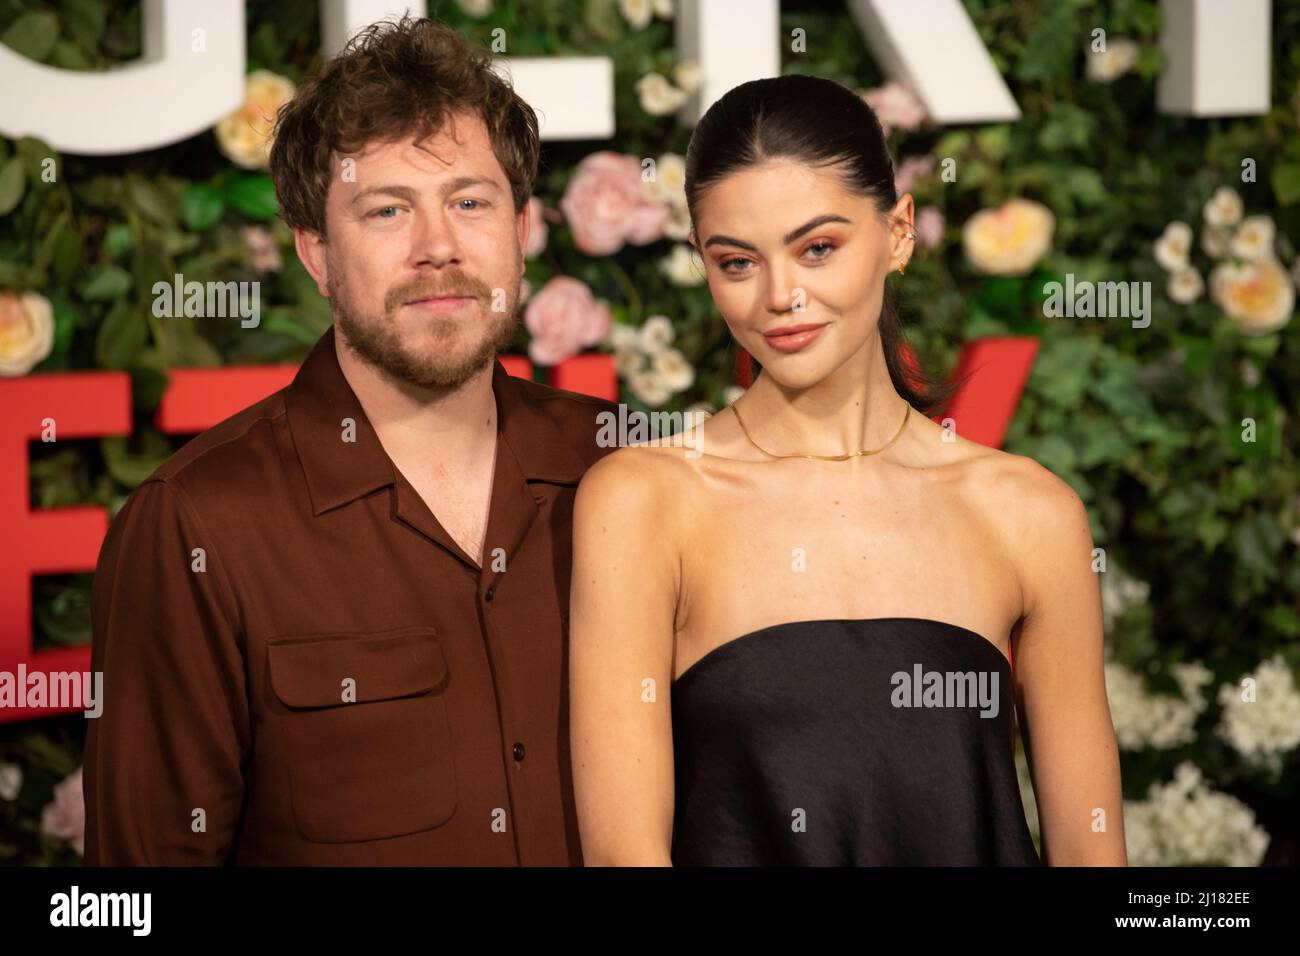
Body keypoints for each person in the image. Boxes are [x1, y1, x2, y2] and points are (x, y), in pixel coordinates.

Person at [83, 16, 620, 865]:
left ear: (521, 233)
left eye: (470, 202)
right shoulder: (197, 526)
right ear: (317, 255)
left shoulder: (622, 467)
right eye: (386, 210)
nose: (438, 248)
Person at [568, 74, 1126, 866]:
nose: (781, 296)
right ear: (702, 263)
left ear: (898, 232)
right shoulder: (643, 503)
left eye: (818, 247)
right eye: (737, 262)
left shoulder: (1028, 513)